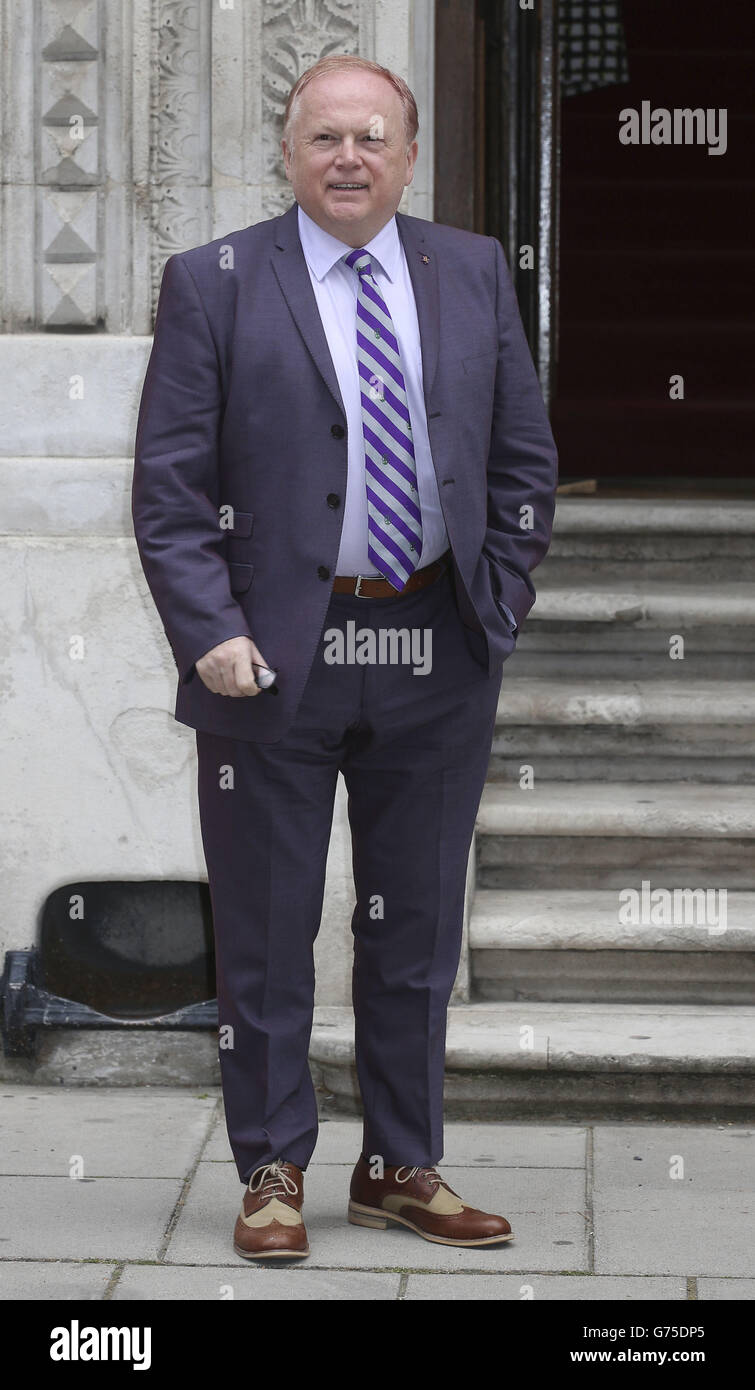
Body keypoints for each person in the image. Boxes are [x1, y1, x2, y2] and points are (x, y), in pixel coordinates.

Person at [132, 54, 558, 1259]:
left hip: (435, 642)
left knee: (413, 925)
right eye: (325, 137)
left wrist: (501, 599)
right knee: (268, 927)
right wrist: (210, 631)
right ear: (287, 151)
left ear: (408, 153)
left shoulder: (471, 271)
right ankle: (271, 1169)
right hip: (268, 659)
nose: (348, 158)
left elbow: (523, 457)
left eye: (372, 137)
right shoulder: (213, 283)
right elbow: (169, 490)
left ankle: (398, 1164)